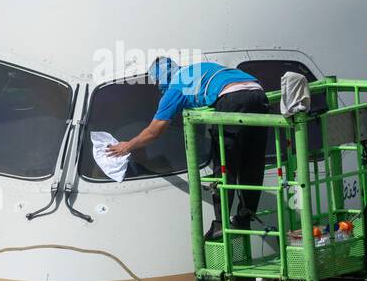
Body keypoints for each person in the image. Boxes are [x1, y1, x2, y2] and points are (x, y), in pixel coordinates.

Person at [106, 57, 269, 238]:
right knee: (252, 161)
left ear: (160, 79)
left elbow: (154, 131)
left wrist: (127, 146)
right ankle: (244, 218)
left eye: (157, 83)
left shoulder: (175, 88)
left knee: (224, 165)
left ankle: (220, 224)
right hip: (258, 92)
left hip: (232, 98)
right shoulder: (194, 69)